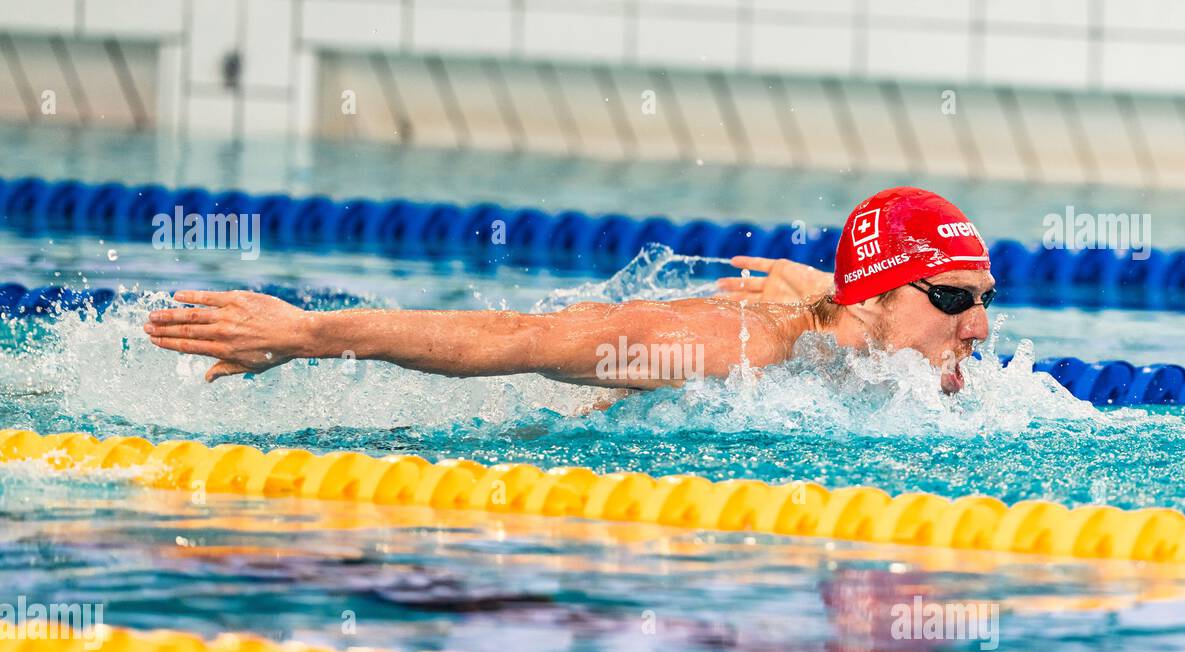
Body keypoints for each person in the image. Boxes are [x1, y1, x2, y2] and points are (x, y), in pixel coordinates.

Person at [143, 187, 996, 394]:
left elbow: (827, 290)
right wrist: (307, 335)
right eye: (954, 301)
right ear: (878, 297)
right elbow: (518, 339)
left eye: (986, 297)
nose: (982, 328)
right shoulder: (728, 349)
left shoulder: (849, 317)